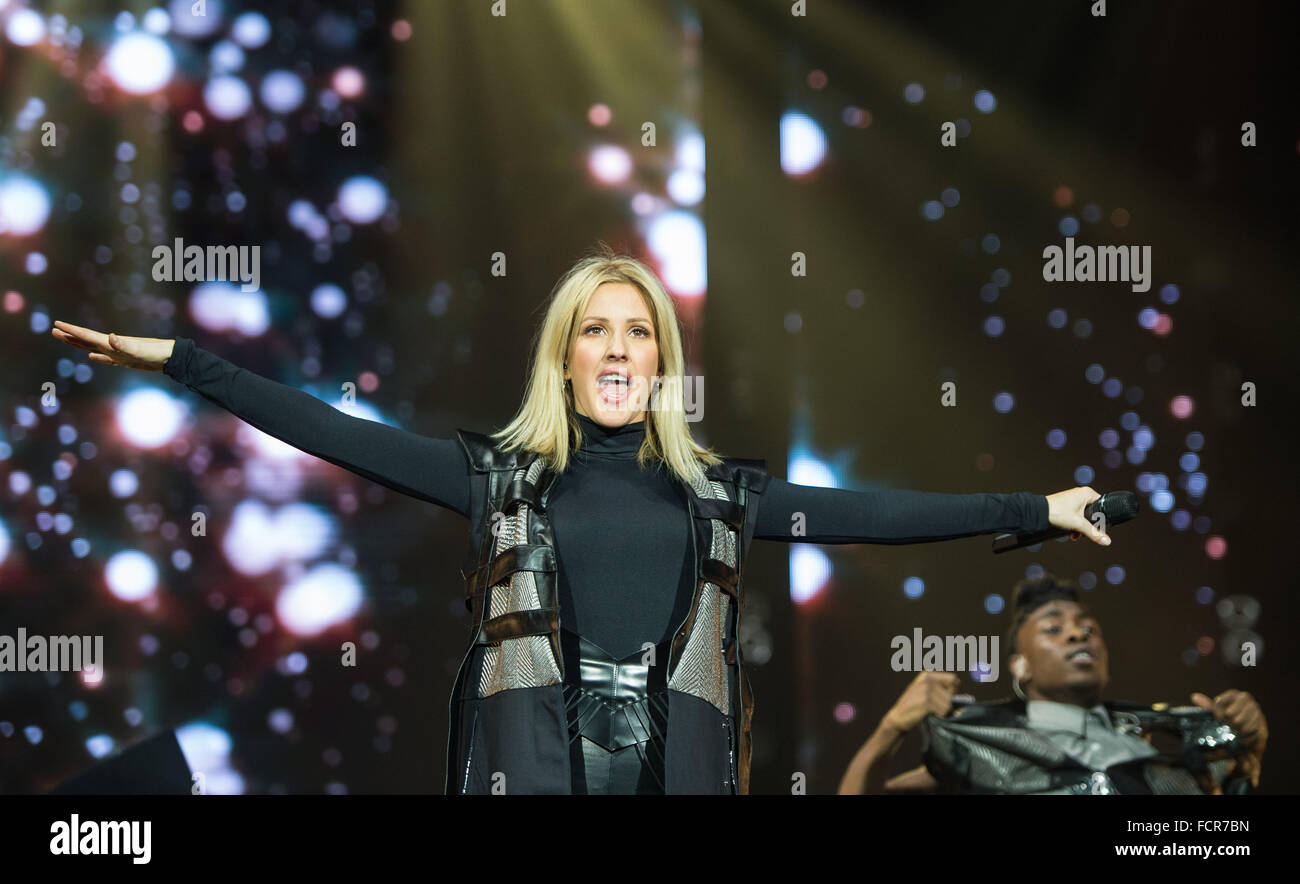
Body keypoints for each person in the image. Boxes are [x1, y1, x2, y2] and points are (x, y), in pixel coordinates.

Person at [52, 245, 1110, 795]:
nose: (615, 348)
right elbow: (326, 430)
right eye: (593, 329)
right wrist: (183, 362)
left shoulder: (722, 499)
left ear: (661, 362)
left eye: (636, 332)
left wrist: (1039, 509)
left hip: (675, 768)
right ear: (564, 356)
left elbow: (873, 513)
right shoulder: (496, 478)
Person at [838, 573, 1267, 794]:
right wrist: (892, 728)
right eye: (1054, 628)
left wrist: (1246, 749)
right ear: (1020, 666)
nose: (1079, 634)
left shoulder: (1161, 744)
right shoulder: (984, 747)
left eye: (1087, 627)